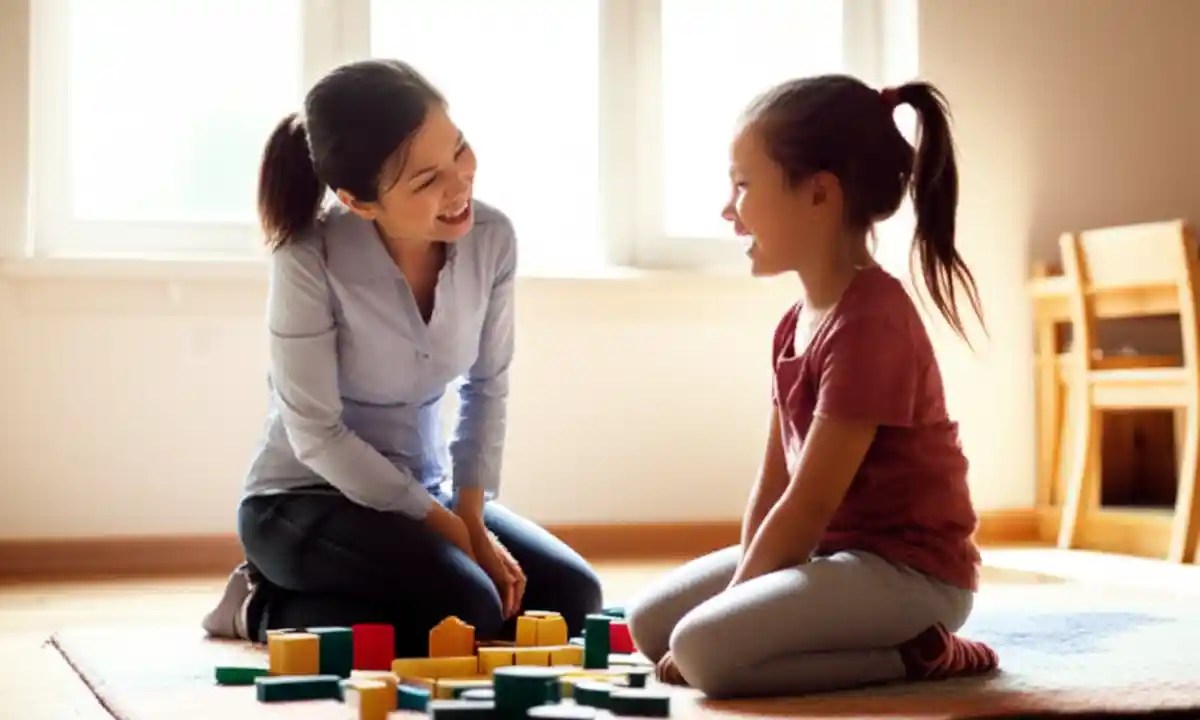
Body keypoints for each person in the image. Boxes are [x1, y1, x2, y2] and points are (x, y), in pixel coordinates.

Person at [201, 59, 602, 656]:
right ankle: (262, 602)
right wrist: (452, 533)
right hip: (303, 501)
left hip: (423, 491)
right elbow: (316, 433)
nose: (460, 184)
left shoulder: (493, 238)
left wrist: (469, 513)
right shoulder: (308, 257)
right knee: (464, 606)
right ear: (360, 202)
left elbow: (487, 386)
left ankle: (403, 590)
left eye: (459, 150)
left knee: (572, 598)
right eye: (425, 181)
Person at [625, 75, 999, 698]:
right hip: (833, 554)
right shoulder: (793, 324)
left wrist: (732, 611)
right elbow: (774, 484)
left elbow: (808, 504)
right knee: (650, 624)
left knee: (702, 652)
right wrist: (746, 588)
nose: (727, 209)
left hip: (912, 575)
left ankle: (921, 653)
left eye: (743, 186)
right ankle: (746, 635)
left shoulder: (872, 322)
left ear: (819, 195)